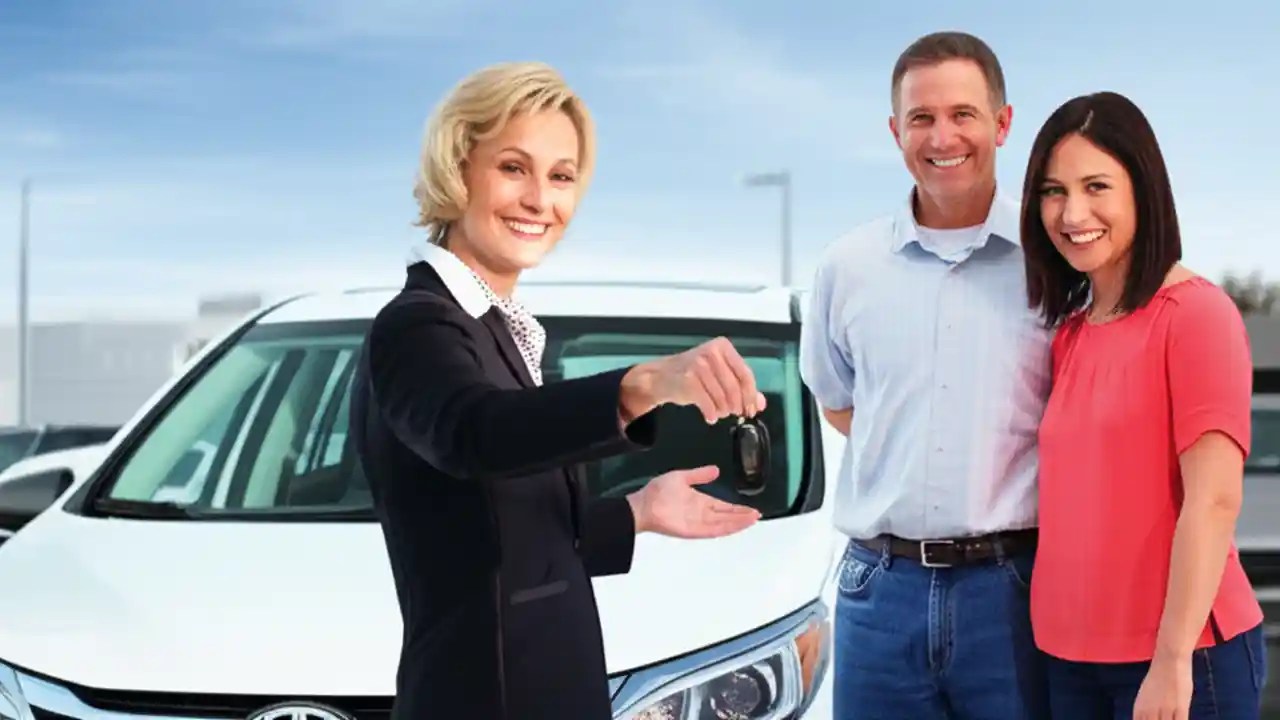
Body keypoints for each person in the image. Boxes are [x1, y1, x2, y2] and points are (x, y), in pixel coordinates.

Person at [348, 61, 766, 720]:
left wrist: (638, 512)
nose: (541, 200)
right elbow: (477, 433)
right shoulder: (419, 324)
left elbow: (504, 545)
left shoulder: (495, 329)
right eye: (514, 168)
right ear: (458, 168)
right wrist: (640, 386)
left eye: (562, 176)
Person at [800, 31, 1054, 719]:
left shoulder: (1052, 263)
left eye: (963, 114)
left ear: (1002, 123)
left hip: (1014, 592)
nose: (943, 136)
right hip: (879, 595)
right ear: (895, 131)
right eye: (922, 118)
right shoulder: (846, 268)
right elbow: (839, 401)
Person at [1022, 90, 1267, 719]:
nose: (1072, 212)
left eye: (1096, 185)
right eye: (1053, 191)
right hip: (1069, 657)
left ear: (1143, 189)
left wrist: (1171, 660)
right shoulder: (1072, 332)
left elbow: (1213, 501)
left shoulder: (1195, 316)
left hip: (1180, 658)